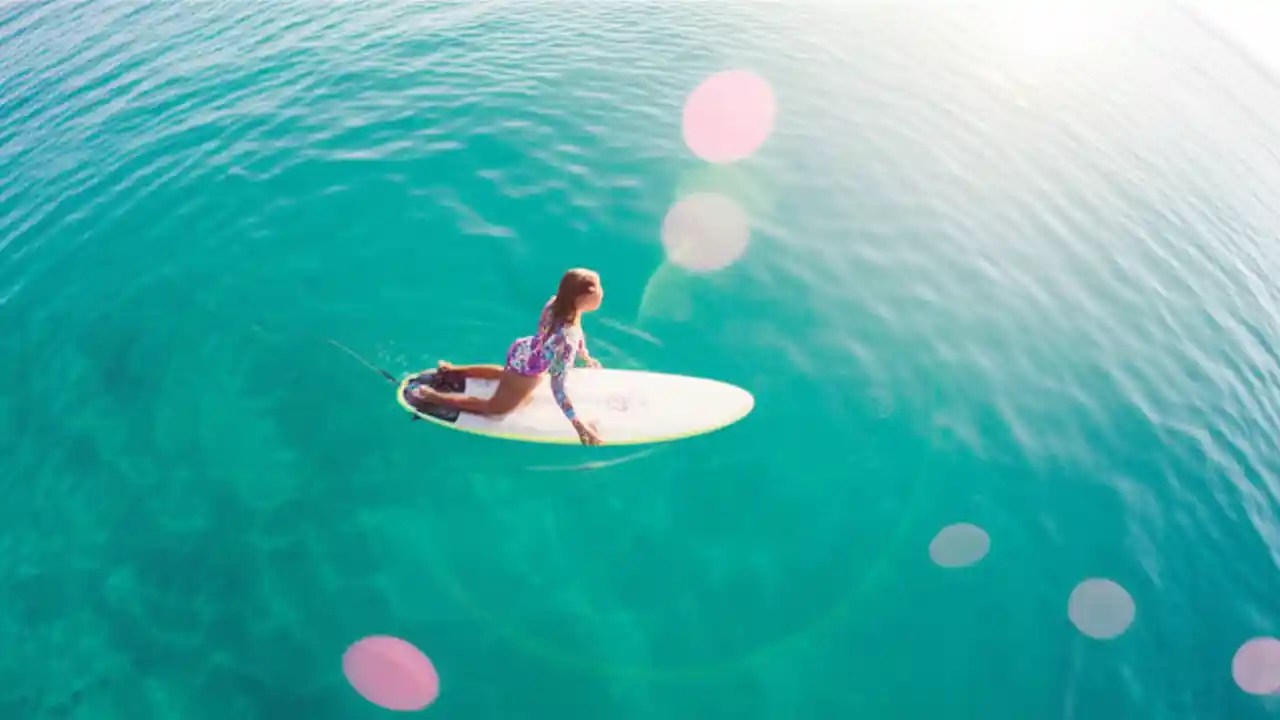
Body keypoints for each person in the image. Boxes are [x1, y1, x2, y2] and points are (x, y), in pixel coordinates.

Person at [411, 268, 605, 446]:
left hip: (522, 349)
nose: (601, 292)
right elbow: (558, 388)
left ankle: (451, 370)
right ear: (582, 298)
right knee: (496, 408)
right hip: (528, 370)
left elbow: (572, 332)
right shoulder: (566, 341)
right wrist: (578, 424)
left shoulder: (556, 303)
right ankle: (434, 397)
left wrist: (584, 355)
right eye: (598, 288)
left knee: (506, 376)